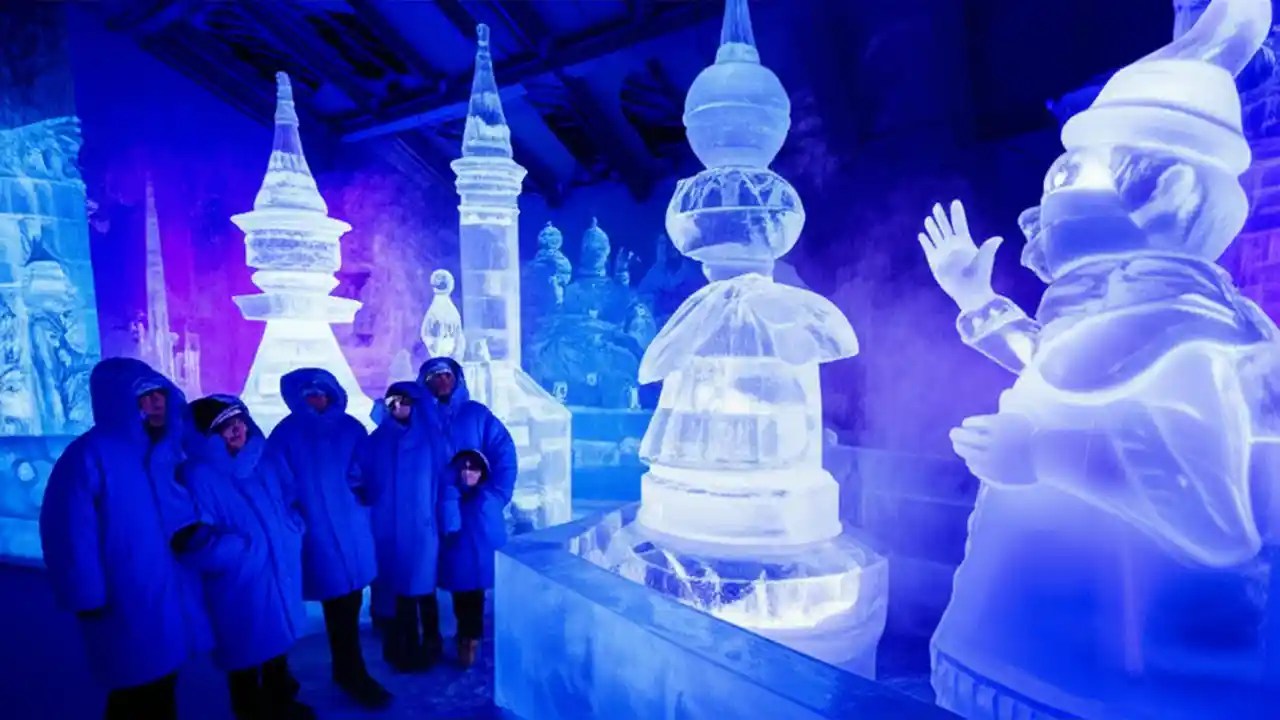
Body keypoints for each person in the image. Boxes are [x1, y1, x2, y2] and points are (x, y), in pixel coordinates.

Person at [39, 357, 212, 720]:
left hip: (167, 587)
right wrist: (85, 594)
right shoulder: (89, 455)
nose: (156, 403)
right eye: (144, 396)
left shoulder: (168, 450)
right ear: (118, 401)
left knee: (162, 682)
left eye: (159, 394)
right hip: (123, 594)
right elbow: (69, 532)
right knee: (133, 689)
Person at [183, 395, 313, 720]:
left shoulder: (261, 461)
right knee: (244, 657)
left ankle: (282, 702)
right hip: (236, 580)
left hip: (274, 567)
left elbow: (286, 499)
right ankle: (252, 712)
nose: (236, 429)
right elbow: (193, 536)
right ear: (208, 435)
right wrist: (238, 552)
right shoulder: (198, 475)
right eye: (224, 426)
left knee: (275, 645)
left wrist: (291, 527)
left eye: (238, 420)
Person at [267, 368, 389, 708]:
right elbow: (278, 485)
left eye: (322, 392)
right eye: (308, 394)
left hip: (351, 532)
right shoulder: (285, 435)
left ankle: (349, 671)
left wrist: (366, 492)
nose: (316, 399)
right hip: (315, 534)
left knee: (348, 604)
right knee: (331, 605)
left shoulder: (350, 428)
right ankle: (345, 674)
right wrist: (294, 522)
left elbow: (366, 469)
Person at [417, 357, 517, 665]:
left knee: (467, 577)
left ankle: (469, 637)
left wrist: (495, 494)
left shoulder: (476, 415)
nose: (441, 381)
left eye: (446, 375)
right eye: (433, 377)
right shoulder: (420, 418)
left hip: (470, 509)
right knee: (421, 574)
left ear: (457, 378)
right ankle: (429, 636)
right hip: (427, 508)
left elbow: (503, 451)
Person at [359, 382, 461, 672]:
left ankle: (431, 641)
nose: (397, 408)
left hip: (422, 527)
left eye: (403, 402)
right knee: (397, 590)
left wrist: (449, 522)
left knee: (423, 588)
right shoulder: (376, 440)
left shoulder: (433, 441)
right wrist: (365, 498)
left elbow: (447, 483)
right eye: (392, 403)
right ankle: (404, 647)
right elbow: (357, 474)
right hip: (388, 528)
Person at [439, 449, 509, 667]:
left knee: (474, 606)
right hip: (459, 564)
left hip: (476, 566)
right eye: (465, 468)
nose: (469, 473)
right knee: (461, 606)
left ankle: (470, 643)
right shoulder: (449, 496)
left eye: (474, 469)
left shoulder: (486, 499)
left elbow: (494, 534)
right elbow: (448, 527)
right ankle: (465, 640)